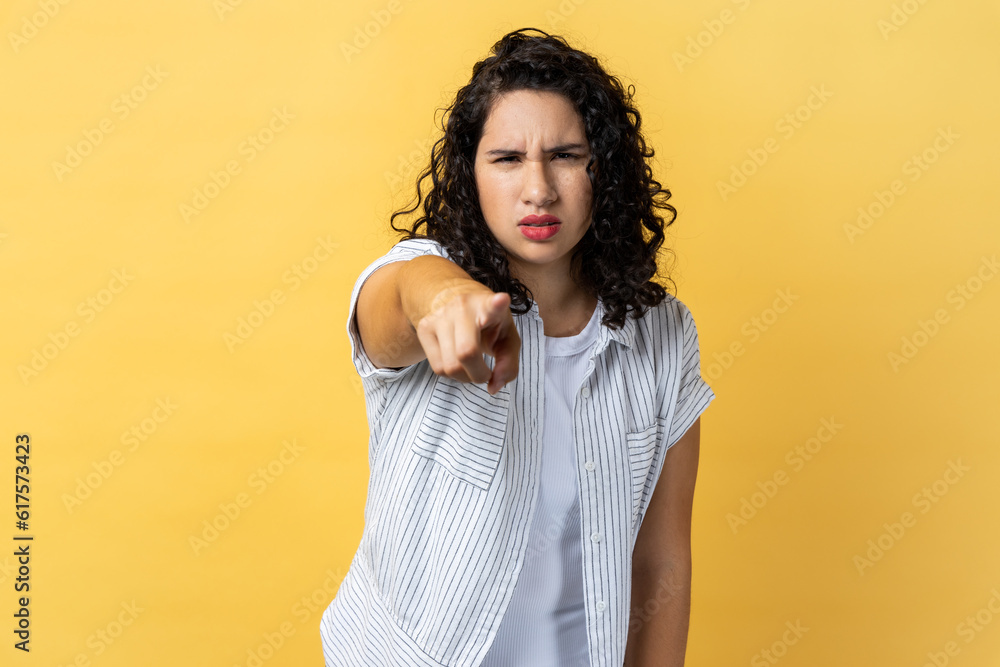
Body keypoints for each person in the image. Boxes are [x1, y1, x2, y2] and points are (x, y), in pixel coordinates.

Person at [320, 27, 715, 667]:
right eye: (506, 159)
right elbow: (398, 299)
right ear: (471, 176)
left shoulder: (664, 333)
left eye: (565, 155)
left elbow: (661, 558)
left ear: (602, 170)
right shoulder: (423, 278)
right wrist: (445, 300)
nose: (539, 189)